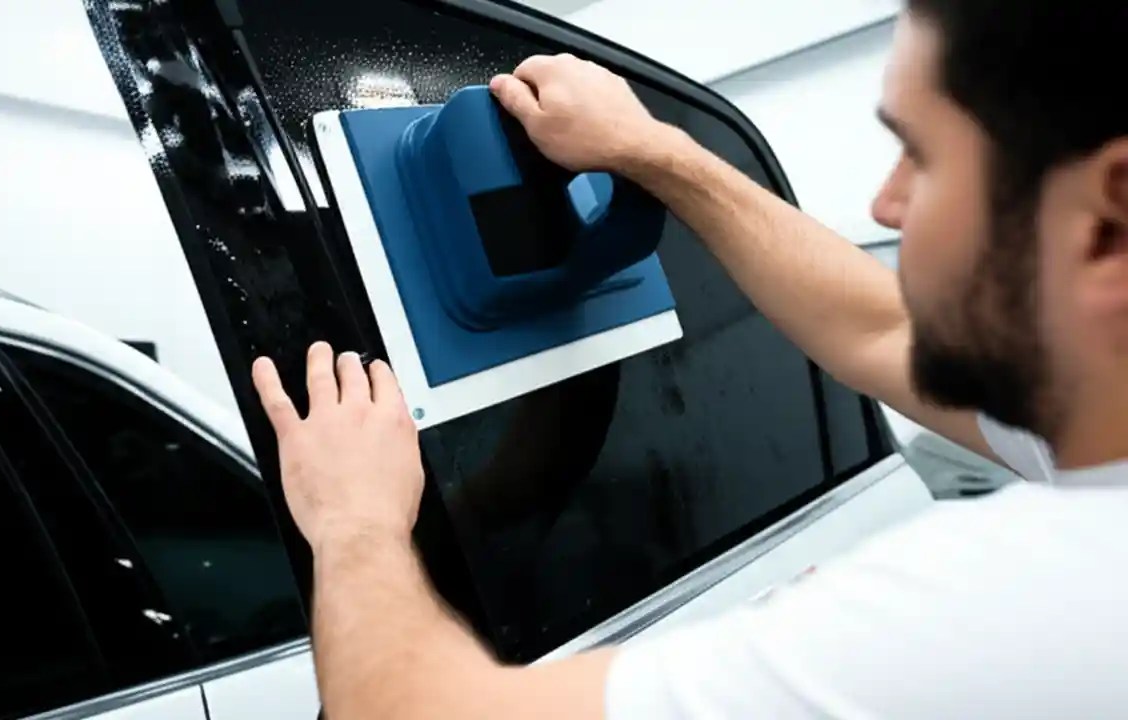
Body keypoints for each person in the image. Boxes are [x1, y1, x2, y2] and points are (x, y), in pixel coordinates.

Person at [250, 1, 1128, 717]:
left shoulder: (1029, 606)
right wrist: (653, 152)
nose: (885, 204)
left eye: (923, 158)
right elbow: (876, 331)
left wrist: (355, 525)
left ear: (1110, 217)